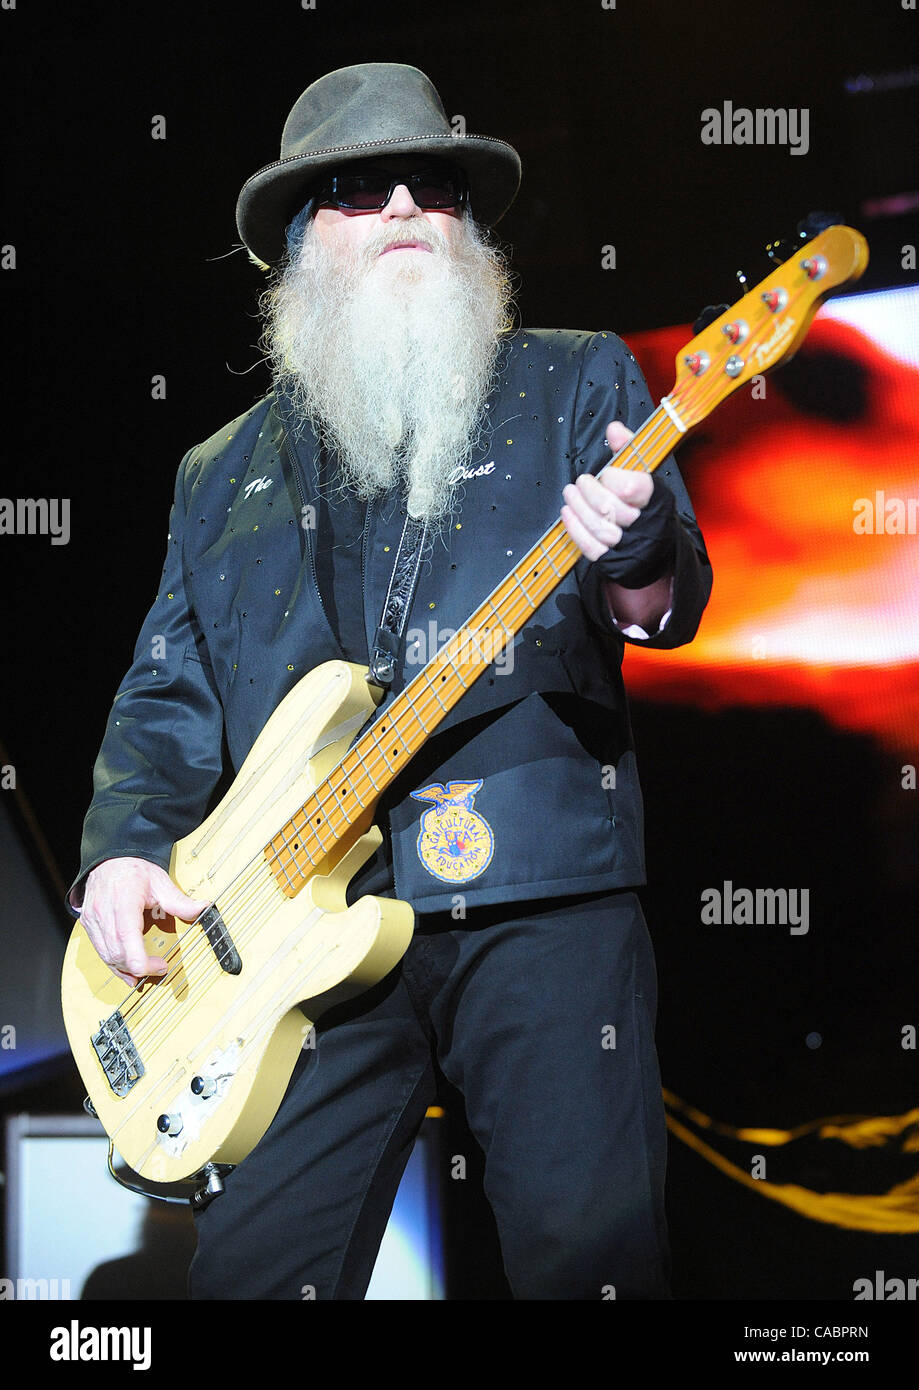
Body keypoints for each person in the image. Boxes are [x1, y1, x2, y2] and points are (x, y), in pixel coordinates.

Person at [66, 62, 712, 1300]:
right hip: (292, 937)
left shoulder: (574, 379)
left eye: (439, 186)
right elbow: (165, 692)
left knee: (590, 1270)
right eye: (363, 189)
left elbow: (659, 608)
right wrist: (120, 849)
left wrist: (634, 547)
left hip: (538, 904)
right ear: (300, 241)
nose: (411, 204)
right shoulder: (218, 472)